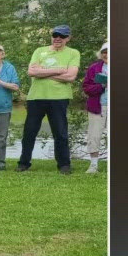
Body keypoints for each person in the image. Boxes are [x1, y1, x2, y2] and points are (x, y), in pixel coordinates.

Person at [18, 24, 79, 173]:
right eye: (55, 35)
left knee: (60, 133)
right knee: (29, 132)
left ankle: (64, 165)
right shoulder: (39, 51)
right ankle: (24, 163)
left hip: (59, 98)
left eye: (62, 36)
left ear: (68, 38)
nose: (58, 38)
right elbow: (32, 72)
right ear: (51, 36)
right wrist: (58, 71)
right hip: (36, 97)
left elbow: (71, 77)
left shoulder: (73, 53)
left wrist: (43, 72)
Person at [82, 41, 109, 173]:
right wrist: (102, 85)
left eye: (109, 51)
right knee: (94, 135)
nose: (106, 54)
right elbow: (86, 88)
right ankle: (93, 165)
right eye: (104, 52)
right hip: (98, 107)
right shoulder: (94, 68)